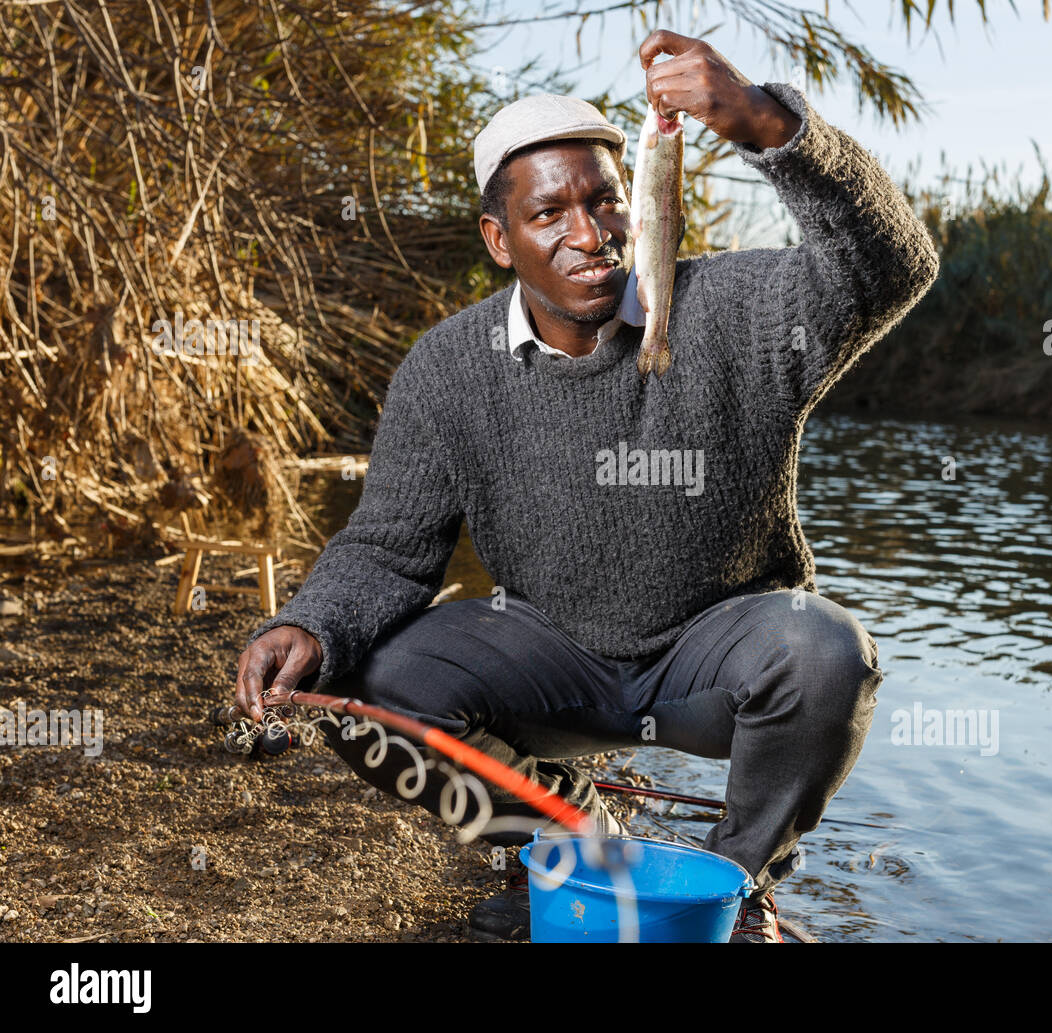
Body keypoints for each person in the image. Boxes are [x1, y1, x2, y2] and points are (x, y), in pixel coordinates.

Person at [234, 28, 939, 943]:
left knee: (825, 651)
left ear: (642, 196)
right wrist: (308, 622)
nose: (589, 233)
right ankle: (573, 852)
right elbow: (387, 546)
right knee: (371, 676)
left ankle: (729, 883)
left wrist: (761, 121)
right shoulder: (449, 368)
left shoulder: (737, 310)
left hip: (714, 661)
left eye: (606, 200)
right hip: (551, 657)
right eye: (549, 213)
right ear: (499, 239)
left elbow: (894, 264)